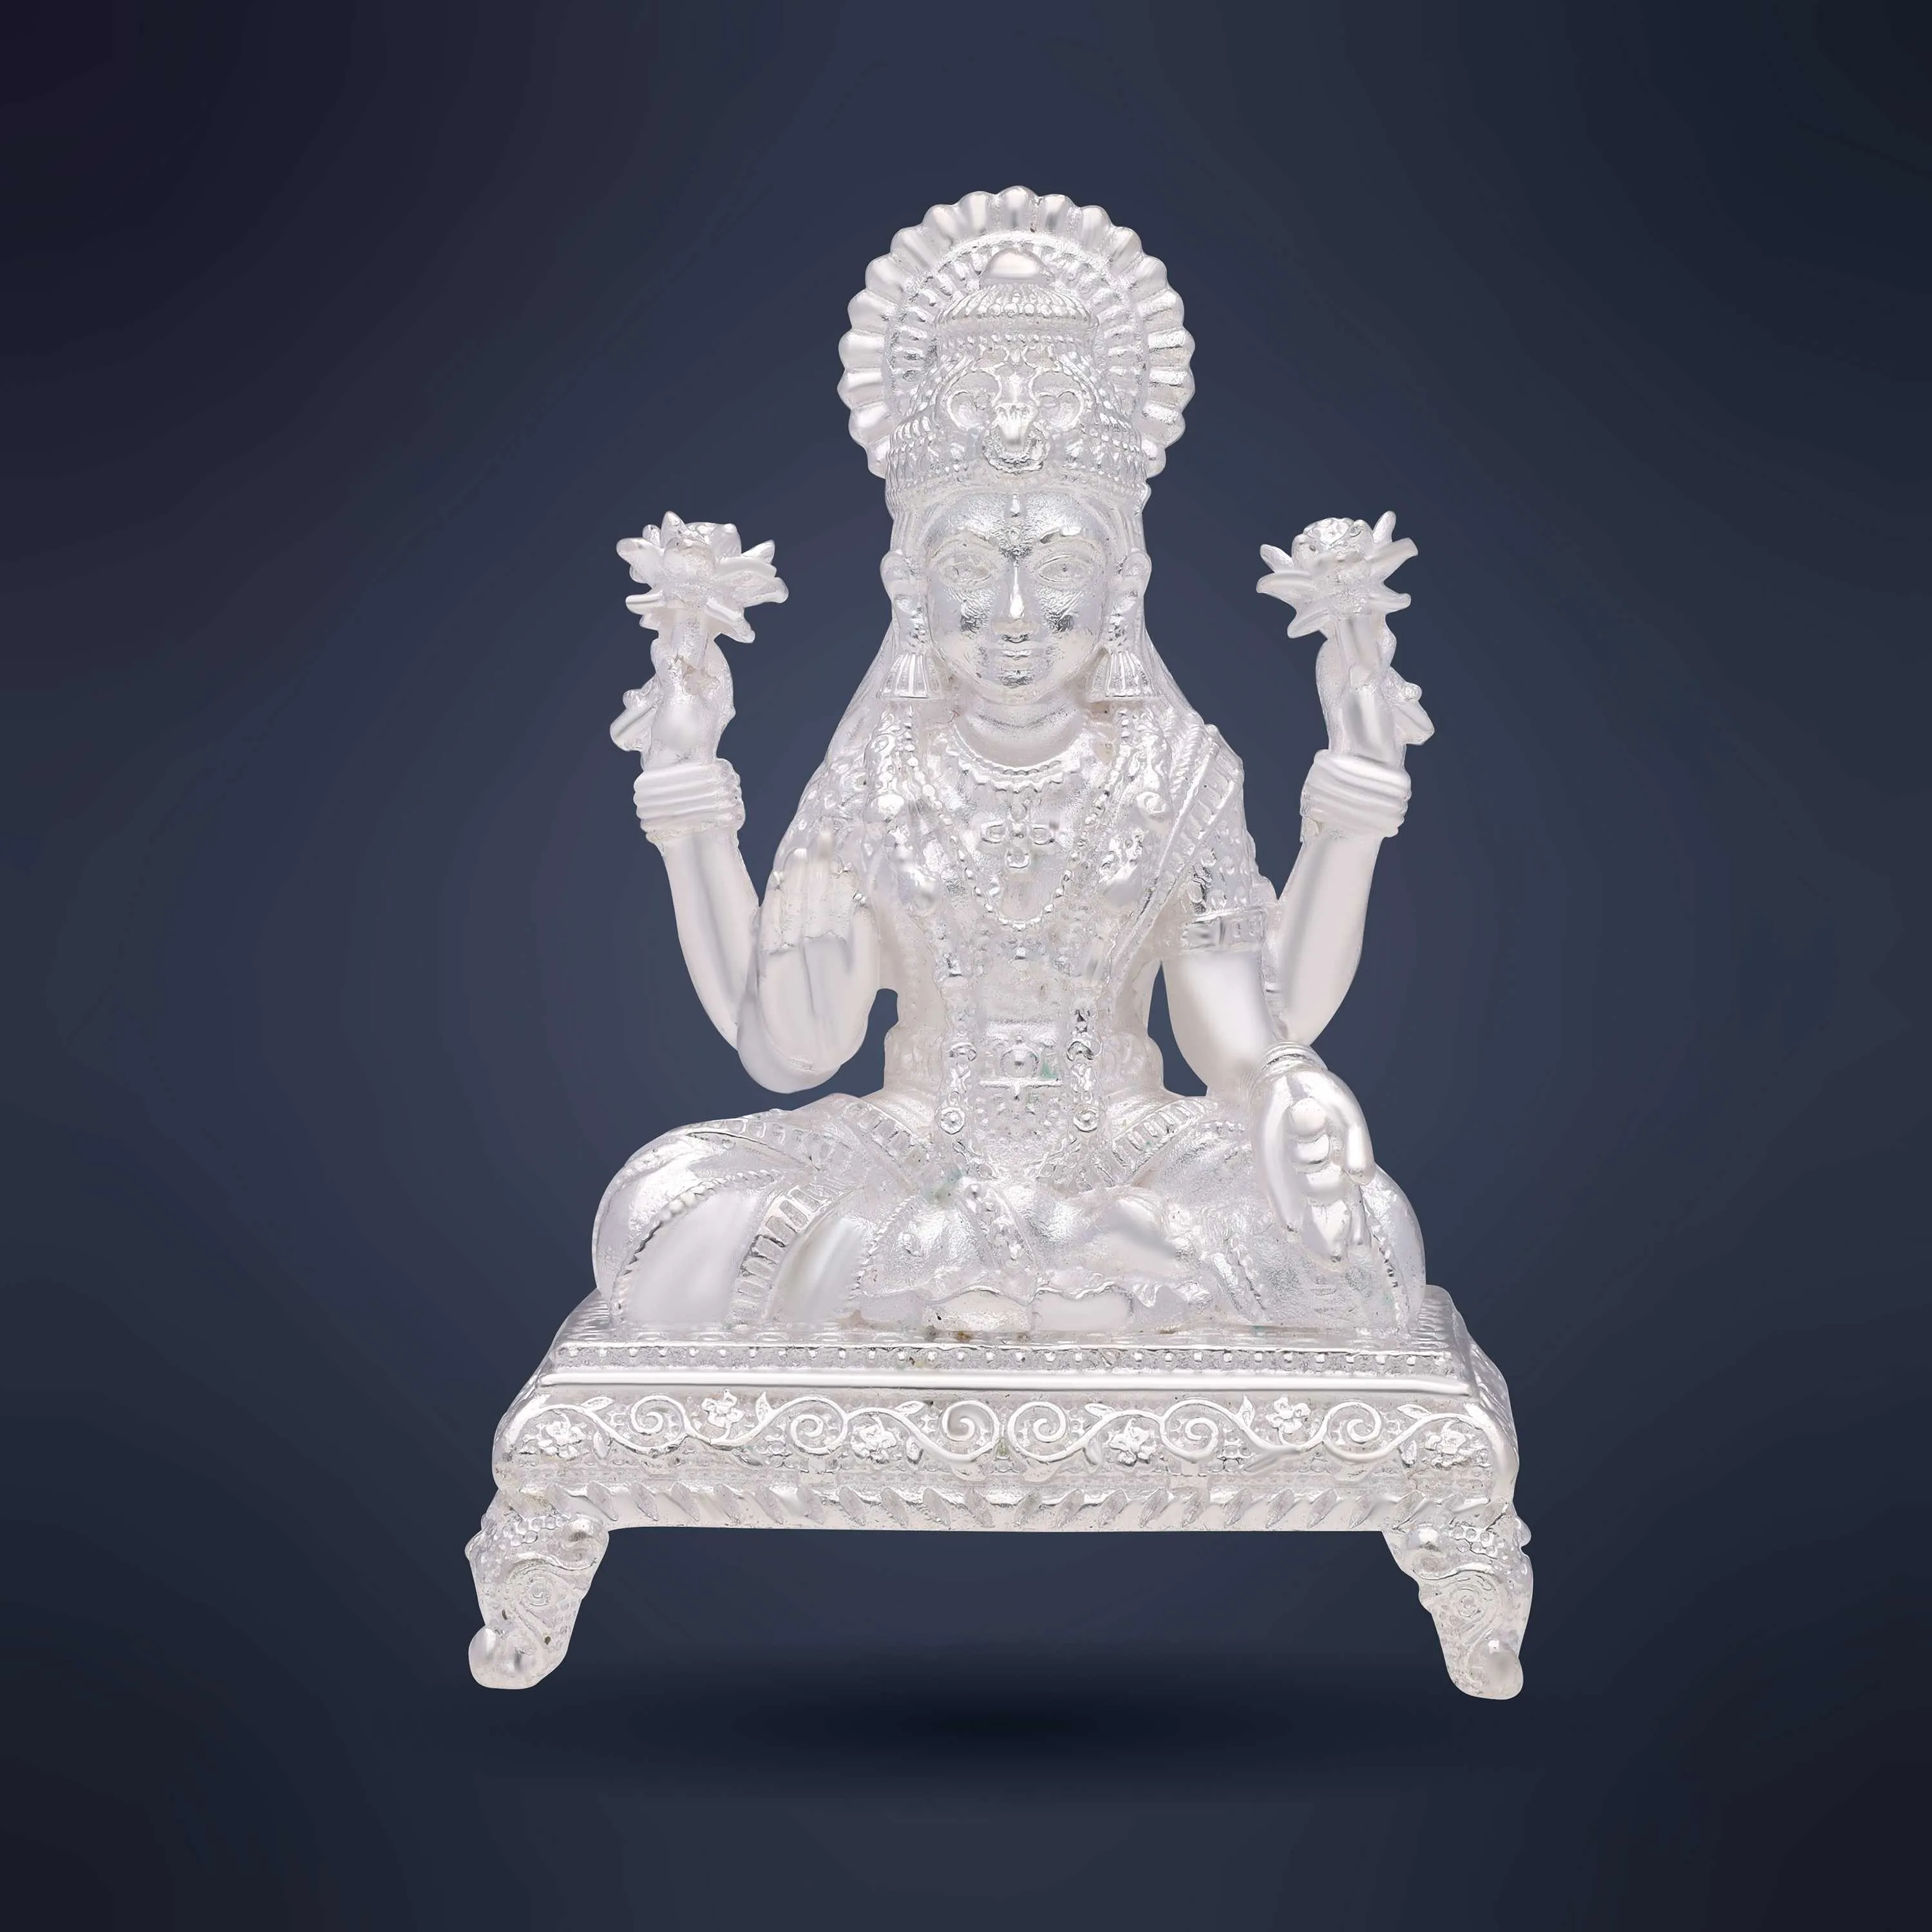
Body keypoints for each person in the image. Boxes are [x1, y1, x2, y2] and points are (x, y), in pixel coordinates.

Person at [597, 190, 1430, 1341]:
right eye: (975, 570)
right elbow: (791, 1051)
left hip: (1126, 1144)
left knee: (1367, 1232)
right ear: (911, 587)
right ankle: (1083, 1280)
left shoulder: (1175, 769)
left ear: (1124, 586)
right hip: (916, 1148)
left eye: (1062, 568)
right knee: (659, 1214)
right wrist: (688, 804)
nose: (1018, 615)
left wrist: (1292, 1080)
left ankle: (985, 1282)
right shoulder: (877, 777)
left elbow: (1236, 1040)